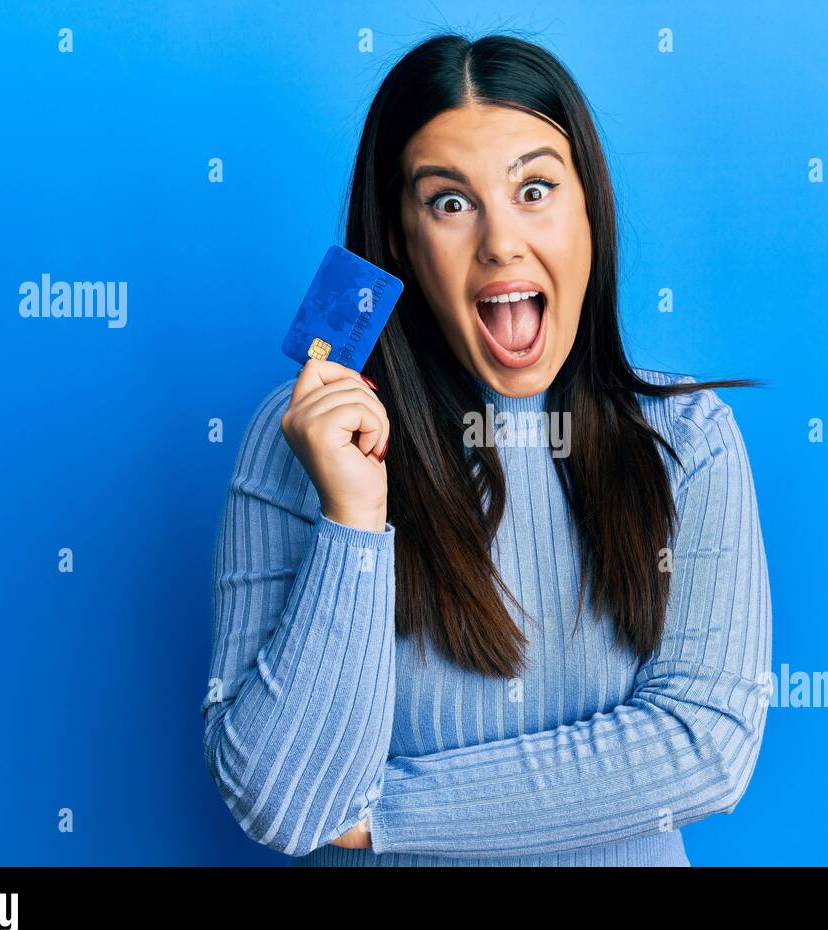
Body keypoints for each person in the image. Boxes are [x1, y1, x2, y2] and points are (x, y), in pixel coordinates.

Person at [201, 32, 772, 866]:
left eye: (535, 189)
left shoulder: (688, 440)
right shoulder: (299, 444)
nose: (501, 242)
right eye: (450, 203)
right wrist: (353, 521)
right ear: (398, 241)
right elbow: (287, 807)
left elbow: (704, 743)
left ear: (587, 213)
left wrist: (383, 818)